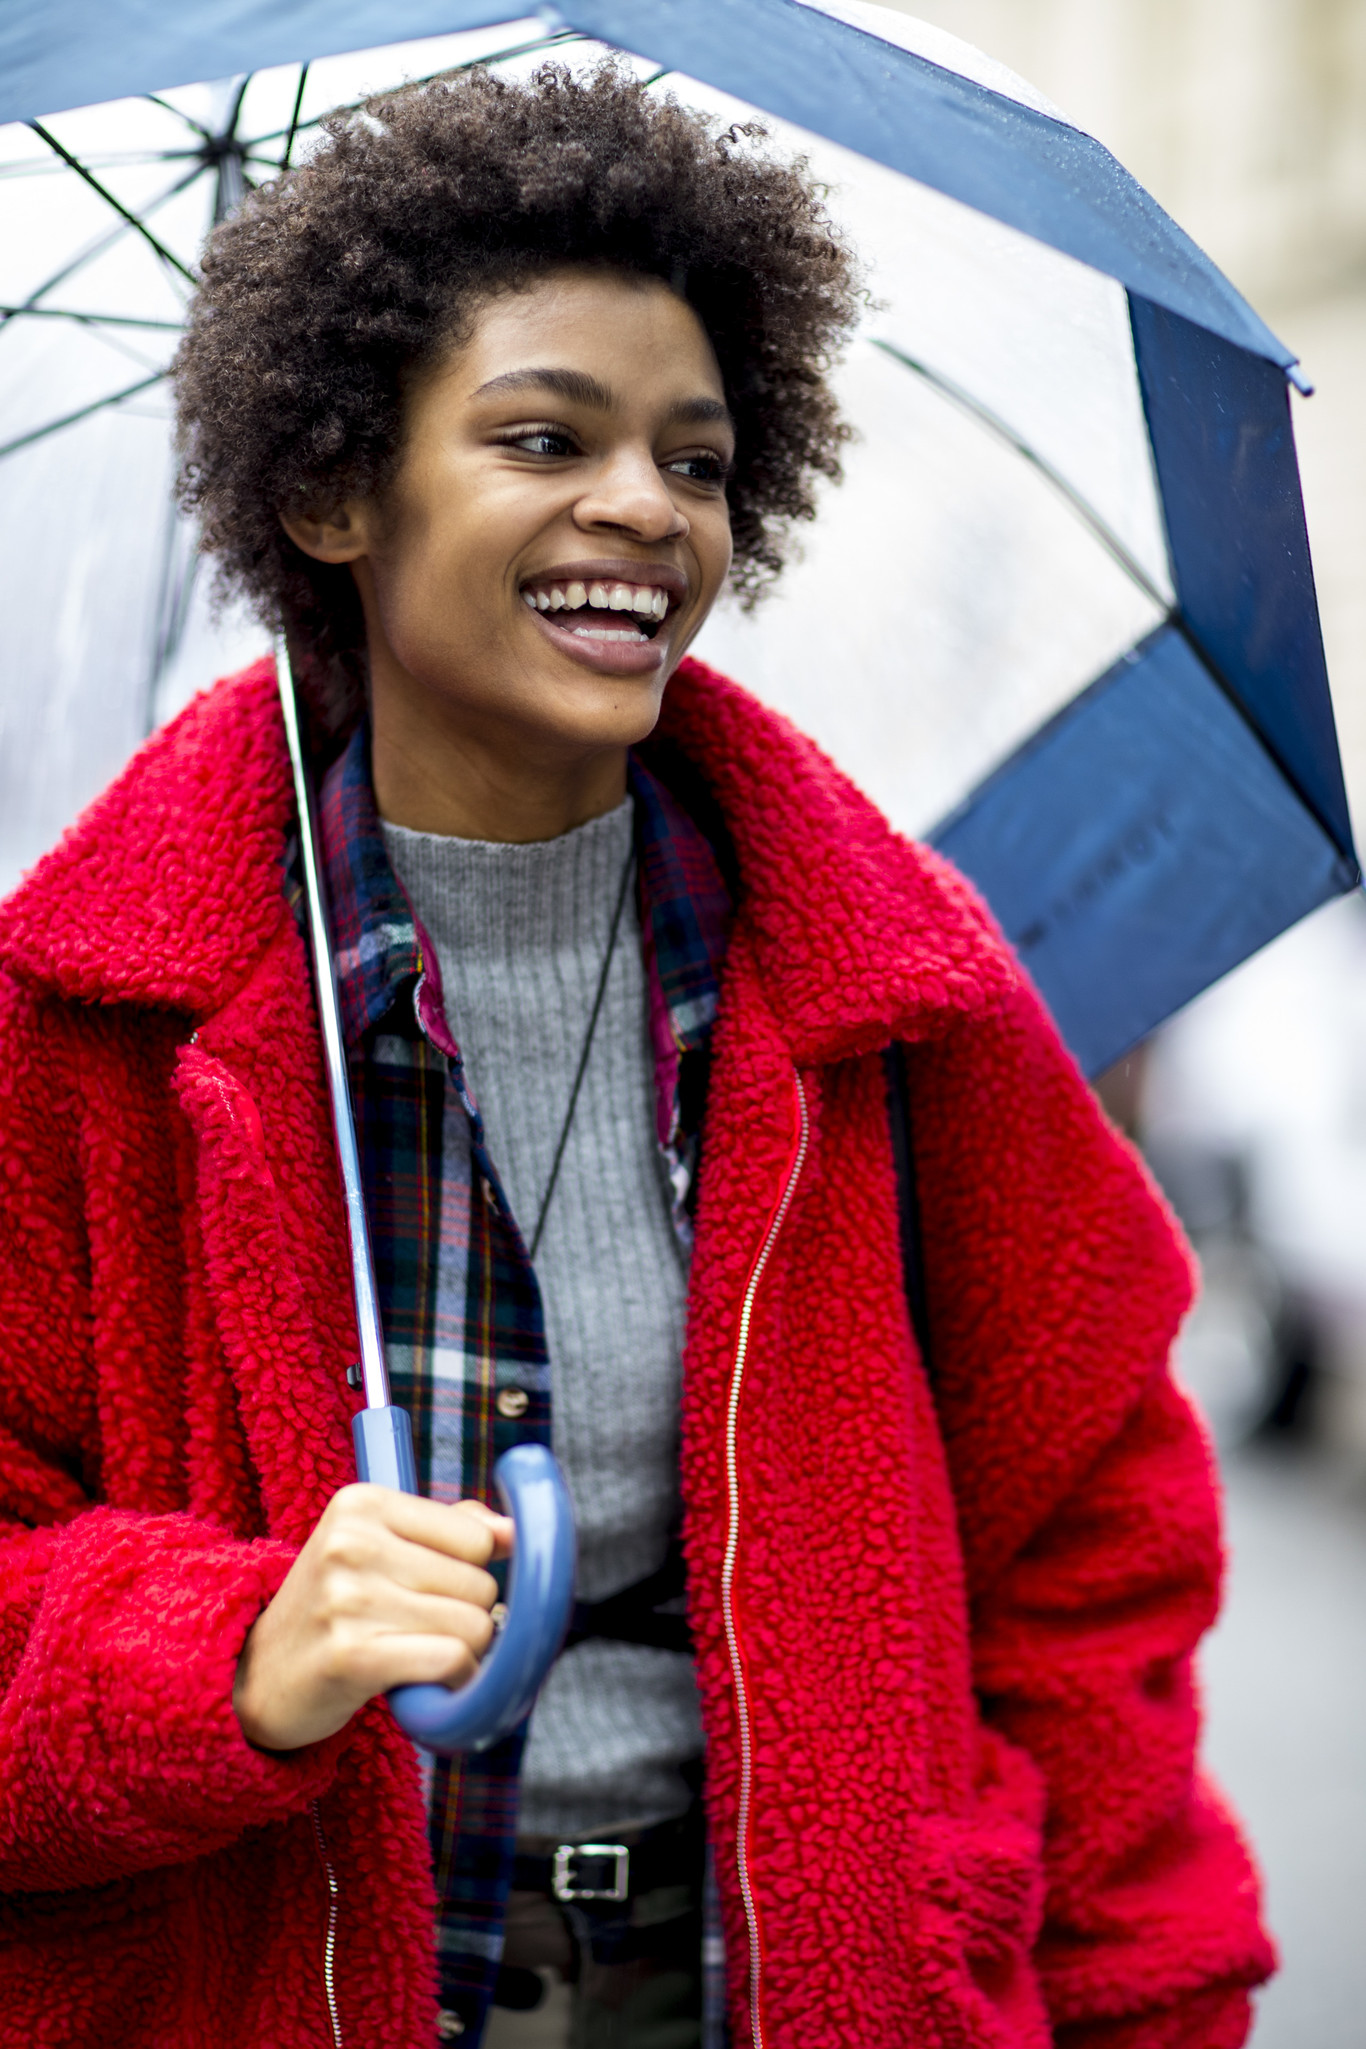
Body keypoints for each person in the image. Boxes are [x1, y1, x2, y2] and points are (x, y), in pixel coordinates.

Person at [0, 61, 1272, 2049]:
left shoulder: (895, 997)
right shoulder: (79, 1023)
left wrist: (1117, 1997)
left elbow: (1090, 1542)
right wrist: (220, 1648)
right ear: (332, 493)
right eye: (543, 435)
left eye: (695, 458)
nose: (643, 508)